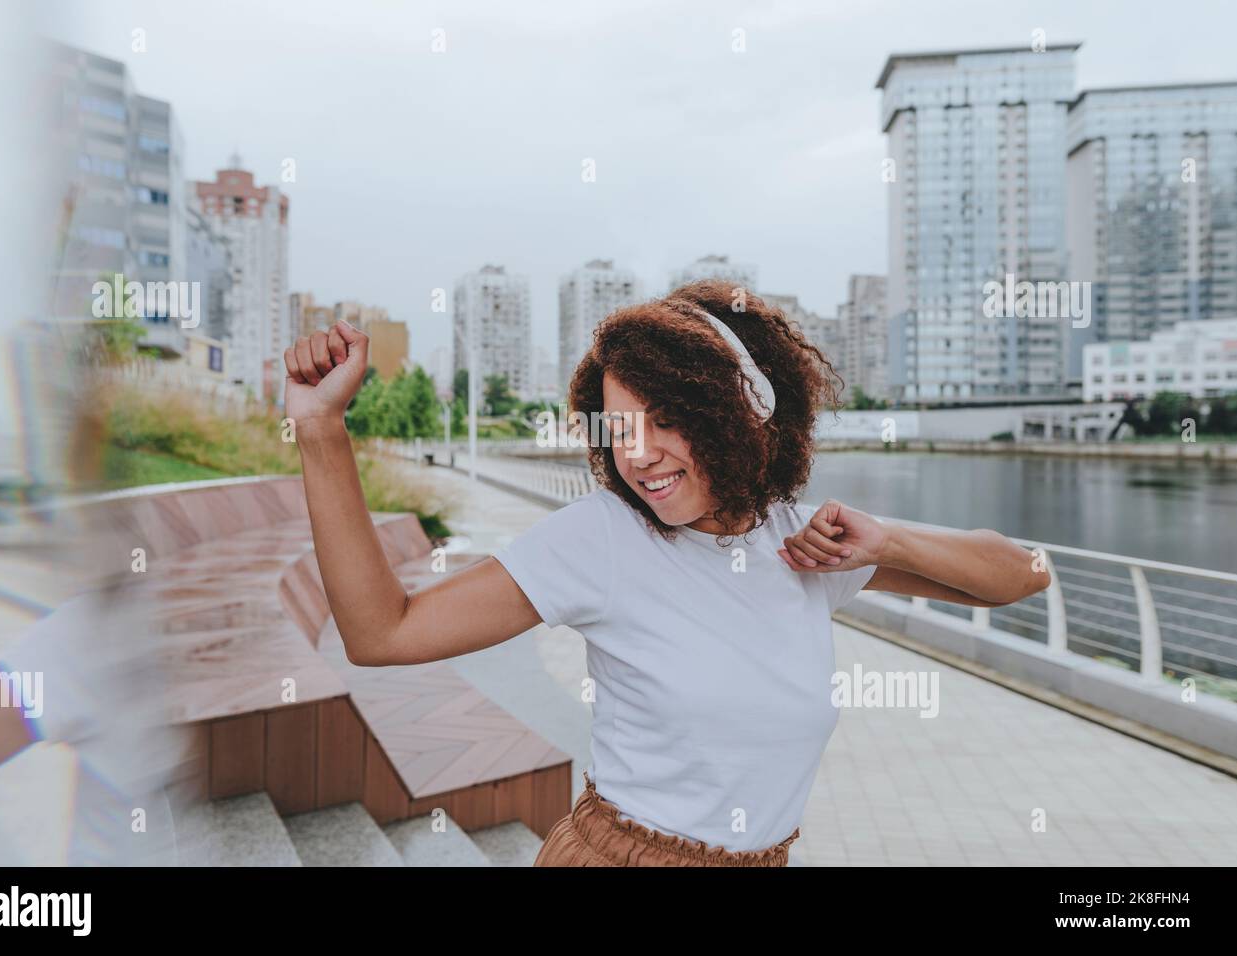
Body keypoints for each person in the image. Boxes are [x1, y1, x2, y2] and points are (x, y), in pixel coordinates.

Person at [283, 280, 1049, 868]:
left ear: (747, 410)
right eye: (620, 428)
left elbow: (1023, 574)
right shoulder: (603, 539)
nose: (638, 453)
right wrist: (320, 430)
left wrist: (889, 541)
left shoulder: (806, 543)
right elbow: (383, 633)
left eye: (666, 420)